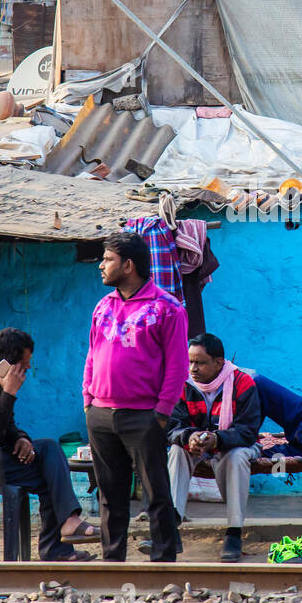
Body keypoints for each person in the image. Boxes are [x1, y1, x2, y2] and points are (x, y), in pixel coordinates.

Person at [0, 327, 98, 561]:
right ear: (9, 365)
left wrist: (20, 438)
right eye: (25, 363)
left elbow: (4, 423)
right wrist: (9, 393)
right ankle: (59, 542)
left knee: (48, 448)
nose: (29, 368)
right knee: (48, 474)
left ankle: (65, 530)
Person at [83, 232, 188, 562]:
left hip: (144, 416)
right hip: (100, 414)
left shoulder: (167, 308)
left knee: (155, 493)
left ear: (128, 265)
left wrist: (161, 412)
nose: (101, 265)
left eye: (108, 259)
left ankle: (163, 563)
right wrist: (88, 399)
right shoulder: (103, 305)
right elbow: (92, 353)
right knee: (109, 495)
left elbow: (177, 366)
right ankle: (112, 563)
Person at [163, 333, 262, 562]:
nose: (193, 368)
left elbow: (247, 431)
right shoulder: (182, 383)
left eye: (200, 362)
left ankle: (234, 533)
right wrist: (191, 437)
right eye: (190, 362)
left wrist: (217, 440)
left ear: (218, 363)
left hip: (236, 445)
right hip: (197, 445)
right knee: (178, 451)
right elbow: (172, 428)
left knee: (237, 457)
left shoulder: (242, 382)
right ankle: (170, 526)